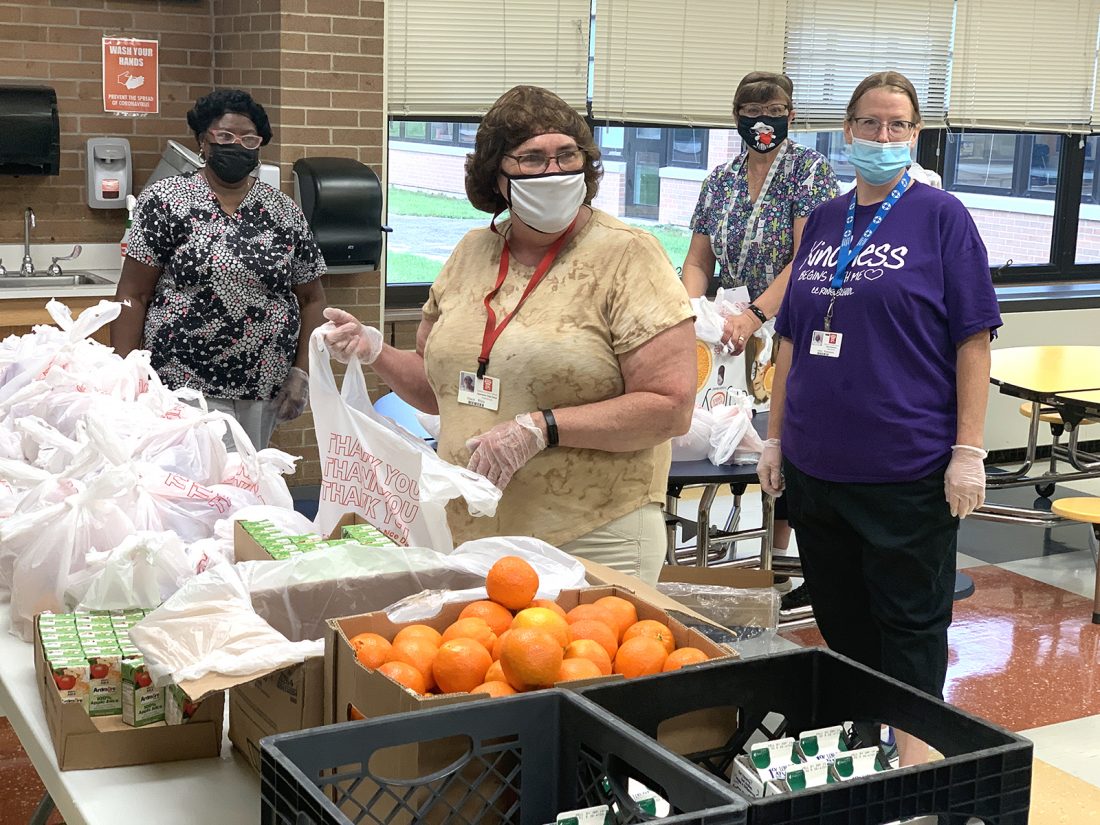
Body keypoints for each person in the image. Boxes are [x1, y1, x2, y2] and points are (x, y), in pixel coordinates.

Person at [323, 85, 695, 585]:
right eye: (532, 159)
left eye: (567, 155)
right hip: (470, 531)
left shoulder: (629, 257)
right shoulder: (470, 254)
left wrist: (541, 428)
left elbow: (671, 406)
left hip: (591, 532)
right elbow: (442, 393)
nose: (555, 172)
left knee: (587, 662)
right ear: (498, 176)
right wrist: (375, 350)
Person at [757, 71, 1001, 765]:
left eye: (897, 125)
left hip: (906, 470)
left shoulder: (941, 217)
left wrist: (970, 450)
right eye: (869, 123)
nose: (882, 136)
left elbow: (973, 337)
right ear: (847, 132)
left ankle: (919, 772)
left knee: (910, 630)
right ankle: (868, 751)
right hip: (815, 468)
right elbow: (793, 335)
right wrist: (774, 438)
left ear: (916, 135)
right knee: (843, 624)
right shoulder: (829, 220)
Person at [682, 71, 839, 593]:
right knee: (715, 423)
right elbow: (699, 261)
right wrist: (689, 309)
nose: (761, 121)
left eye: (772, 109)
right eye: (750, 112)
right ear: (737, 119)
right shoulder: (719, 180)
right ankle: (697, 553)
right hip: (726, 323)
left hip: (786, 318)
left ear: (790, 115)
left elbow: (807, 257)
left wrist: (754, 315)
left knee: (778, 430)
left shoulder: (809, 172)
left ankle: (775, 564)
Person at [111, 89, 327, 450]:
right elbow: (134, 292)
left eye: (249, 138)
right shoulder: (166, 201)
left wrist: (302, 372)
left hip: (262, 384)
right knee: (191, 487)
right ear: (203, 142)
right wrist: (124, 373)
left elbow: (312, 297)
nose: (237, 145)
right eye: (225, 136)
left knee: (246, 484)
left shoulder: (283, 211)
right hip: (179, 381)